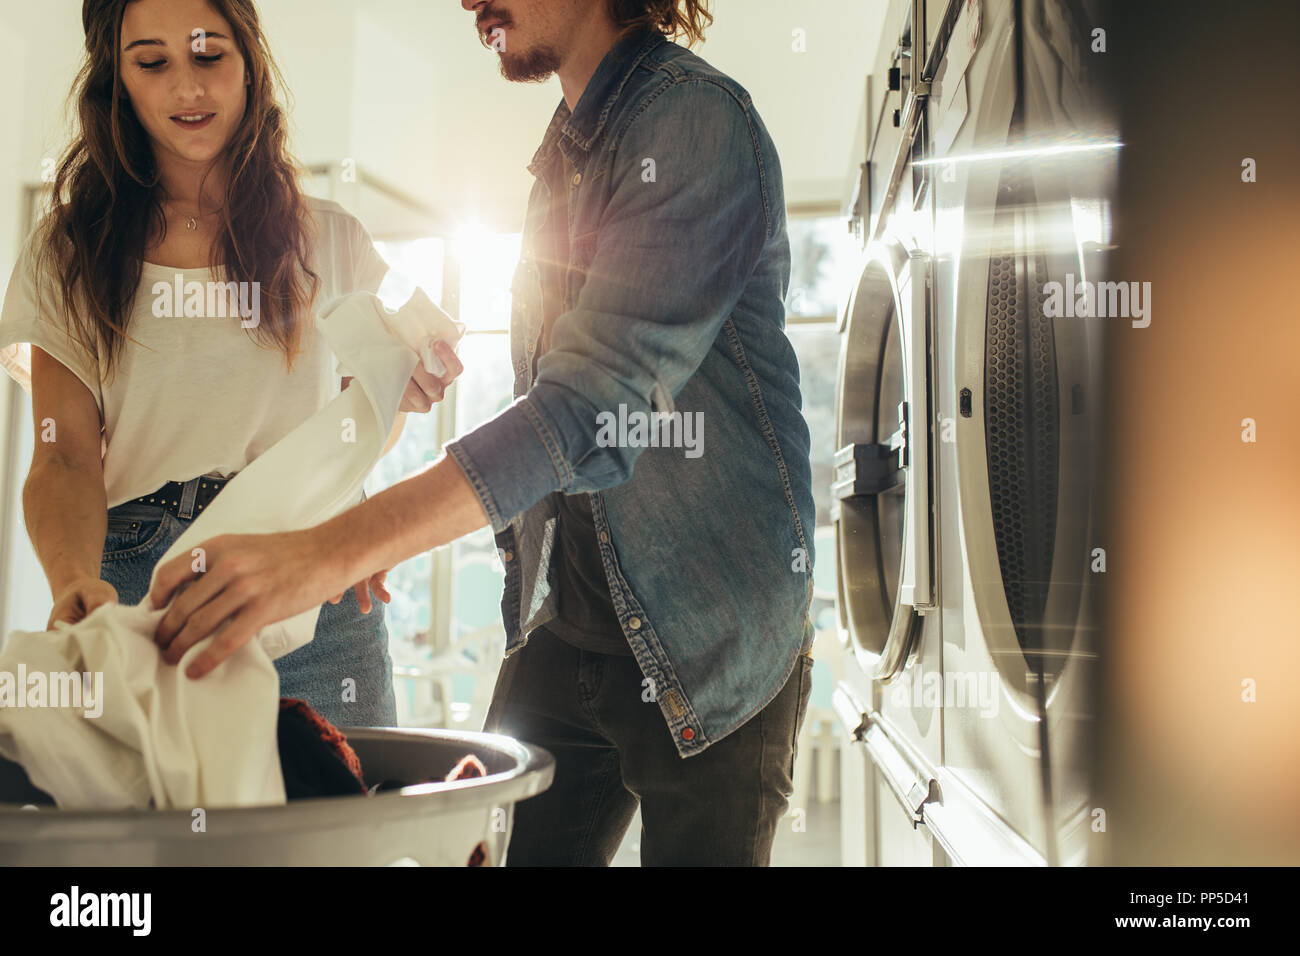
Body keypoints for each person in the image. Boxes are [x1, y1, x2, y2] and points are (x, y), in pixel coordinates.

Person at [151, 0, 816, 866]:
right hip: (568, 622)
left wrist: (334, 548)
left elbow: (589, 411)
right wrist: (407, 520)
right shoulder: (561, 159)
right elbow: (551, 403)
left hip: (709, 633)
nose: (467, 0)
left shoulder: (694, 122)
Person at [0, 0, 463, 728]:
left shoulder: (330, 240)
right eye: (152, 63)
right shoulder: (67, 253)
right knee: (166, 834)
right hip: (145, 590)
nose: (187, 88)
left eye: (209, 56)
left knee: (337, 825)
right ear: (117, 82)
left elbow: (352, 426)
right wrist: (70, 583)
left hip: (316, 585)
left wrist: (398, 394)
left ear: (250, 65)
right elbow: (63, 461)